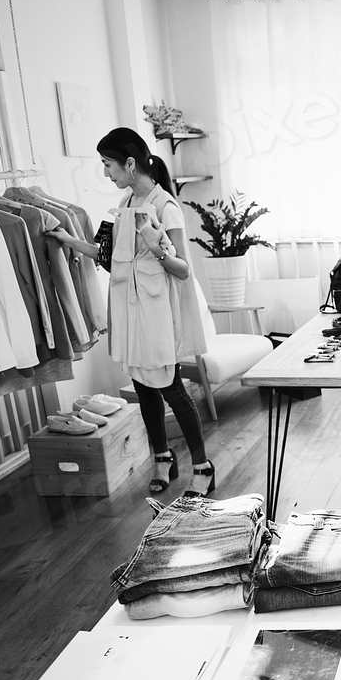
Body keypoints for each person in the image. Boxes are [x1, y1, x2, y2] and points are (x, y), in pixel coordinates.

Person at [52, 127, 215, 497]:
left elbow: (184, 270)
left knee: (171, 389)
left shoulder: (165, 207)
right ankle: (163, 457)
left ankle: (203, 466)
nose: (107, 173)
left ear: (130, 163)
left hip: (157, 316)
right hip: (129, 314)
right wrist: (69, 241)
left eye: (108, 165)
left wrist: (155, 245)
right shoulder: (124, 206)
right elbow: (108, 257)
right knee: (143, 389)